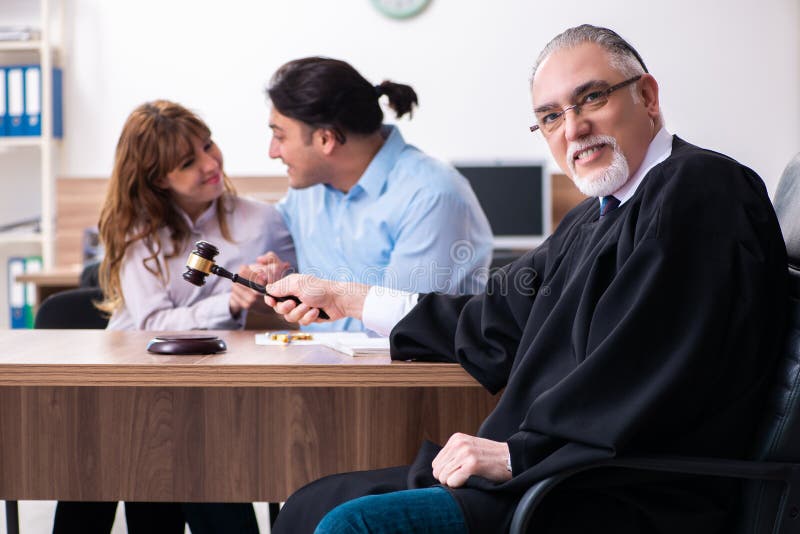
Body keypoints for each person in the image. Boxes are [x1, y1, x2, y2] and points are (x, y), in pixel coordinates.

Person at [263, 25, 788, 534]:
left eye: (593, 98)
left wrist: (516, 454)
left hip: (620, 491)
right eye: (550, 117)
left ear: (647, 97)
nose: (574, 128)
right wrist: (345, 297)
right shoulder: (594, 216)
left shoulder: (699, 187)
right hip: (561, 473)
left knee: (348, 522)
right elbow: (492, 320)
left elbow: (649, 366)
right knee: (310, 503)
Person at [53, 100, 294, 533]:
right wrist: (228, 304)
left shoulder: (263, 220)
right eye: (188, 161)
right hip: (129, 388)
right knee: (107, 473)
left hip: (212, 392)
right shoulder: (136, 229)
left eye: (208, 145)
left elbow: (290, 314)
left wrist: (272, 286)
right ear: (158, 178)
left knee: (201, 470)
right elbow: (151, 326)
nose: (209, 163)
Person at [265, 56, 493, 331]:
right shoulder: (307, 190)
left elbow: (409, 325)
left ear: (325, 139)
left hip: (403, 372)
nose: (272, 152)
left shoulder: (432, 195)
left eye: (280, 136)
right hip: (319, 366)